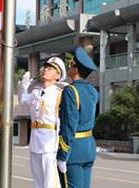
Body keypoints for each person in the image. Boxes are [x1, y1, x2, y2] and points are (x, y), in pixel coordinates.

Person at [18, 56, 67, 188]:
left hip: (49, 141)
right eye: (46, 67)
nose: (46, 70)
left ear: (58, 75)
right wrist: (23, 86)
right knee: (38, 181)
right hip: (35, 139)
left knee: (50, 182)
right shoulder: (36, 91)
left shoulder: (60, 93)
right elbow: (23, 101)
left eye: (51, 68)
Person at [57, 47, 99, 188]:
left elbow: (69, 124)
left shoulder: (70, 90)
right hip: (88, 147)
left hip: (74, 150)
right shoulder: (92, 90)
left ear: (76, 69)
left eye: (71, 65)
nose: (69, 67)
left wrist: (63, 154)